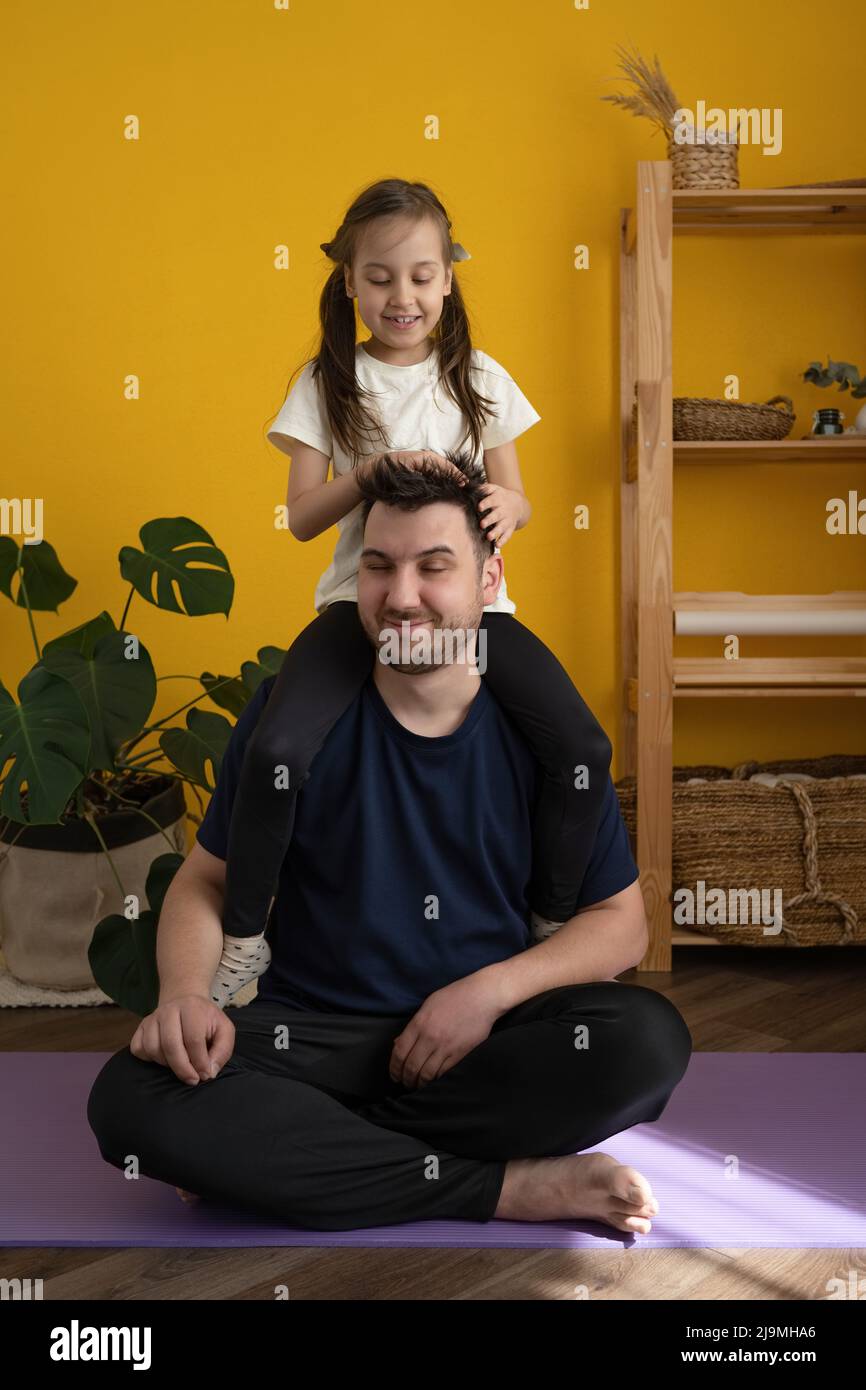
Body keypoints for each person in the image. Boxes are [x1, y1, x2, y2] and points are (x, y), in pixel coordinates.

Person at [87, 455, 692, 1234]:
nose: (400, 596)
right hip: (309, 1038)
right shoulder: (289, 720)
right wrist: (184, 997)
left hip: (483, 1047)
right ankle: (507, 1189)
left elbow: (620, 921)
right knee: (132, 1101)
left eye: (433, 567)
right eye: (379, 567)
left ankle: (295, 1155)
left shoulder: (540, 741)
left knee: (645, 1042)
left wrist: (488, 993)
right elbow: (207, 881)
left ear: (488, 579)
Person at [208, 175, 614, 1006]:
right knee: (277, 752)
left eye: (422, 275)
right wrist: (368, 476)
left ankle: (549, 920)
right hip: (353, 611)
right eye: (382, 277)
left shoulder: (483, 378)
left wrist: (514, 507)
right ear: (348, 281)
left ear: (449, 277)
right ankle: (247, 939)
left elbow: (518, 497)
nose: (403, 296)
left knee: (581, 749)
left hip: (477, 618)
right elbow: (301, 518)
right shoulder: (328, 383)